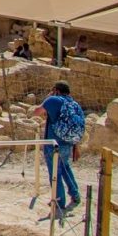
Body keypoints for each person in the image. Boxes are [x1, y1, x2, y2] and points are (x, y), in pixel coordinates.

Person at [36, 81, 84, 217]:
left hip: (53, 144)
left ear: (56, 90)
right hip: (68, 143)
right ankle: (75, 195)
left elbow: (36, 112)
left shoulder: (53, 100)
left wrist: (47, 98)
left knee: (55, 173)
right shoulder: (75, 104)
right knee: (65, 168)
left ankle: (59, 202)